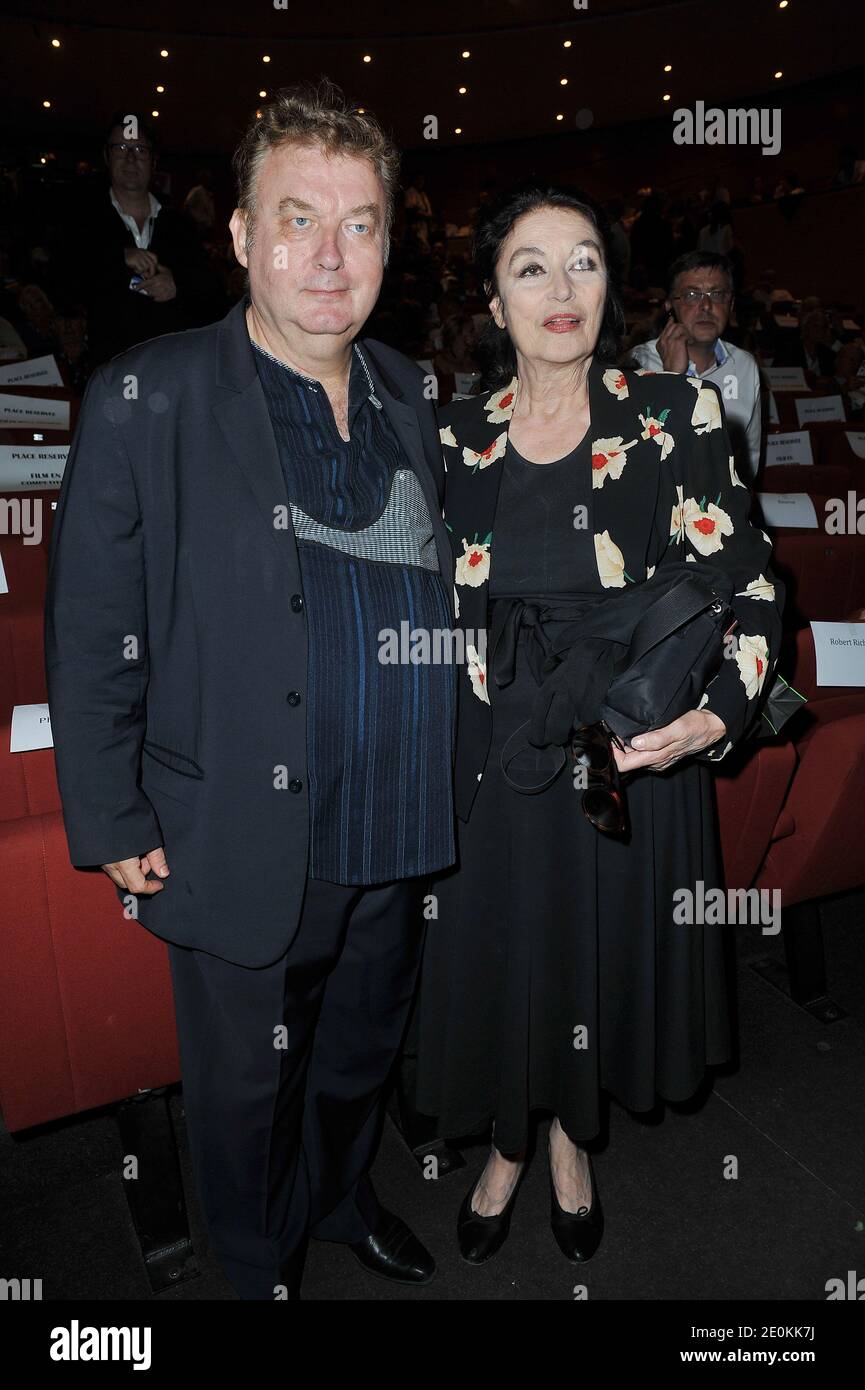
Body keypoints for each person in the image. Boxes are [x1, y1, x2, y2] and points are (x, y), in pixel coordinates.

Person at [44, 80, 457, 1300]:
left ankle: (337, 1196)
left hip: (396, 813)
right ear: (237, 235)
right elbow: (91, 623)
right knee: (241, 1087)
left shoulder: (410, 393)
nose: (330, 257)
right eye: (297, 220)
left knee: (356, 1055)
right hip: (236, 817)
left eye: (360, 223)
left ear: (389, 238)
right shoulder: (145, 394)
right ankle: (253, 1262)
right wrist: (111, 813)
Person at [408, 181, 784, 1266]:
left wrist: (712, 720)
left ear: (612, 285)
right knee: (510, 960)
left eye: (582, 260)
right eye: (530, 265)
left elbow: (750, 586)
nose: (560, 287)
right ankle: (509, 1144)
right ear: (492, 296)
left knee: (593, 968)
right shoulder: (448, 436)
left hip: (627, 754)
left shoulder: (673, 416)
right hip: (495, 765)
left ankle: (570, 1142)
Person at [63, 111, 221, 365]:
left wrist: (176, 286)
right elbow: (65, 284)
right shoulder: (83, 221)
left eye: (140, 149)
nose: (130, 158)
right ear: (106, 155)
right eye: (121, 147)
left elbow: (212, 295)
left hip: (171, 370)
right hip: (110, 371)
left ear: (153, 162)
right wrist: (118, 257)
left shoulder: (180, 225)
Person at [628, 251, 762, 481]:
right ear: (670, 306)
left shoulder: (745, 366)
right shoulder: (637, 363)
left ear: (730, 305)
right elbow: (637, 465)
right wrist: (671, 377)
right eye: (692, 295)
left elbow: (749, 461)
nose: (707, 306)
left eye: (717, 294)